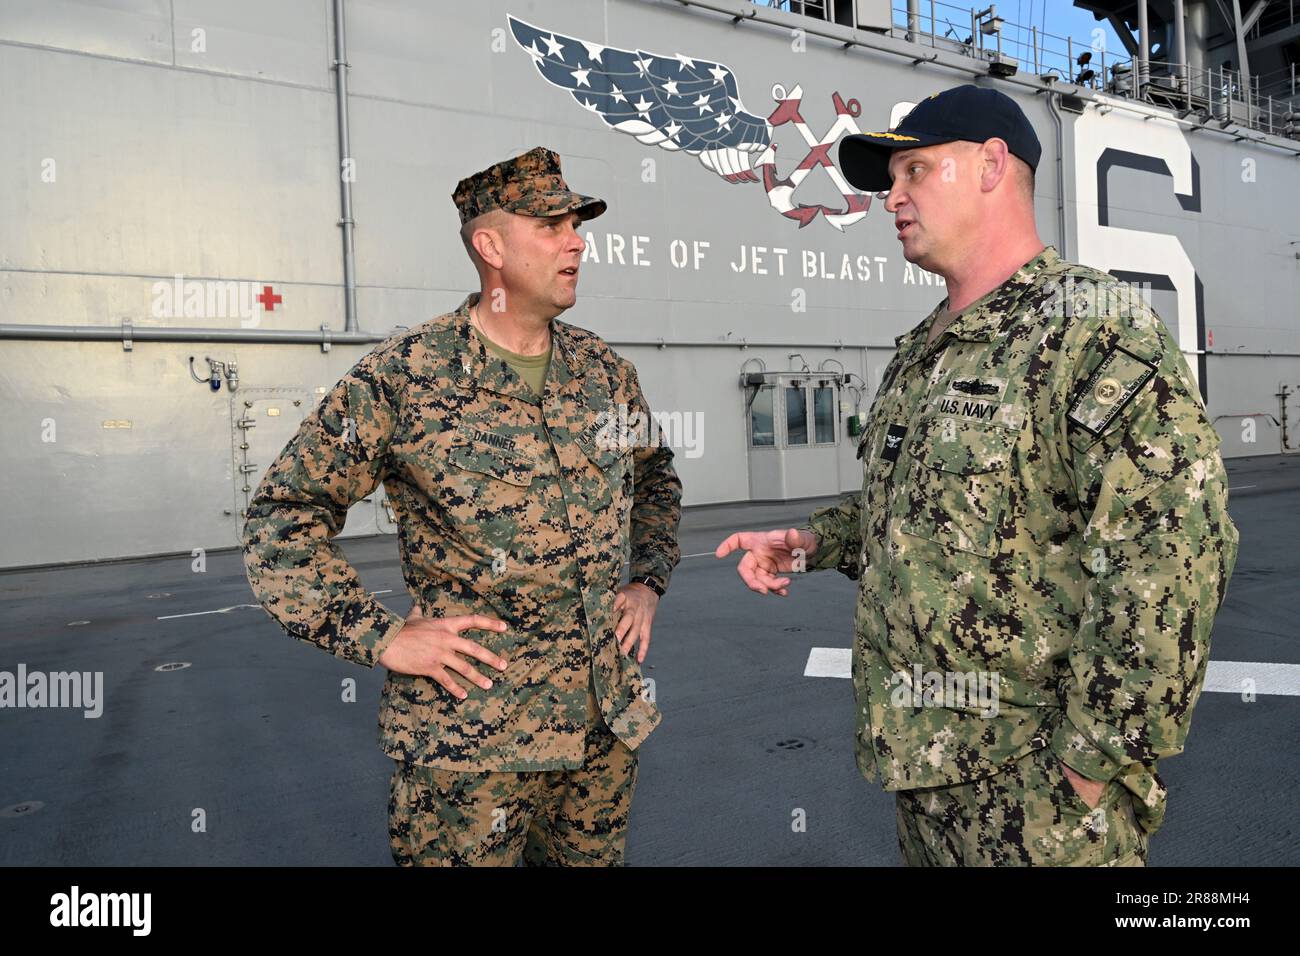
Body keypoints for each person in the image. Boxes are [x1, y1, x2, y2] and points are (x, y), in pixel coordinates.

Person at [715, 85, 1238, 866]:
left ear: (993, 166)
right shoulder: (922, 349)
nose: (892, 196)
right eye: (891, 179)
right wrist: (814, 541)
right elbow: (923, 509)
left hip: (1037, 796)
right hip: (925, 776)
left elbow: (1171, 558)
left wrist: (1087, 768)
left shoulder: (1091, 329)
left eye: (916, 171)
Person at [243, 146, 682, 866]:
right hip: (470, 754)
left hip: (603, 735)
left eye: (577, 224)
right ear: (490, 245)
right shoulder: (404, 376)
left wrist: (647, 578)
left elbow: (656, 481)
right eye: (550, 225)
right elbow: (283, 518)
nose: (576, 241)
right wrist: (381, 637)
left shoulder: (605, 372)